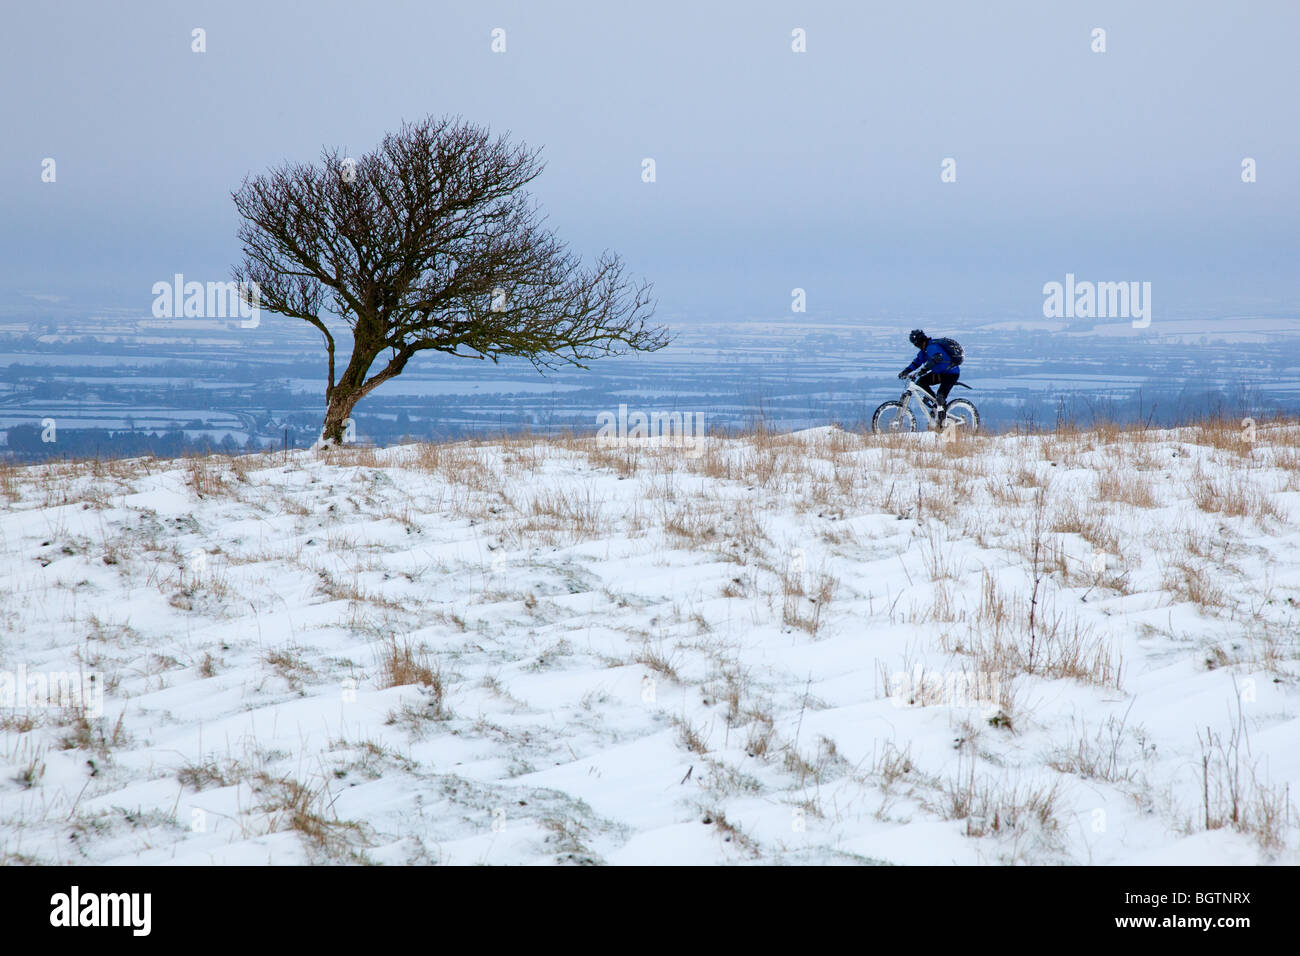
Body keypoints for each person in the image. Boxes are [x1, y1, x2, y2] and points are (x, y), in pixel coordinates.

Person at [898, 329, 960, 427]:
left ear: (918, 342)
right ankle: (936, 403)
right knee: (921, 383)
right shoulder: (924, 350)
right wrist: (906, 371)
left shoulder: (932, 347)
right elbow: (917, 361)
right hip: (939, 373)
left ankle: (941, 416)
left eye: (915, 344)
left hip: (951, 374)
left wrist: (925, 369)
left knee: (941, 395)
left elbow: (937, 358)